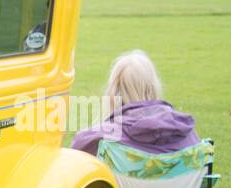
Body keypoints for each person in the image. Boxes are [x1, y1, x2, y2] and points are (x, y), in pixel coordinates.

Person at [72, 51, 200, 158]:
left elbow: (72, 167)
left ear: (114, 92)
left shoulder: (97, 139)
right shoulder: (187, 135)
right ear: (153, 87)